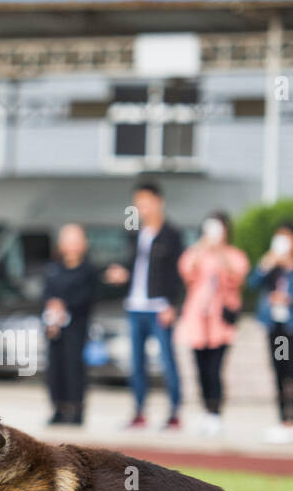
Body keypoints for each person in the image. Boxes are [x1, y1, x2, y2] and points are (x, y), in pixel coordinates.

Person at [104, 181, 185, 430]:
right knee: (137, 362)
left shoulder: (172, 235)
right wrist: (120, 274)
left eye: (145, 201)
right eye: (137, 202)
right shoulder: (134, 233)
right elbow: (131, 265)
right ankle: (139, 412)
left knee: (167, 361)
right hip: (135, 306)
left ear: (159, 202)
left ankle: (174, 412)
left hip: (159, 306)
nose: (141, 207)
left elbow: (178, 274)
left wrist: (173, 304)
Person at [247, 221, 293, 444]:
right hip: (275, 327)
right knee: (279, 372)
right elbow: (252, 284)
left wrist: (290, 299)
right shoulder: (271, 266)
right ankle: (282, 420)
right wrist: (265, 264)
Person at [177, 211, 248, 436]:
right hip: (198, 322)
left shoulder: (233, 255)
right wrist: (202, 248)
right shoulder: (196, 253)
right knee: (201, 369)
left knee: (215, 369)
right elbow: (187, 272)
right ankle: (206, 410)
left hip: (220, 323)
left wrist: (221, 254)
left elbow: (237, 277)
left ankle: (216, 412)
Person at [42, 223, 98, 426]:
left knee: (74, 367)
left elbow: (86, 297)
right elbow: (46, 294)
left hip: (76, 327)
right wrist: (51, 312)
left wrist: (64, 305)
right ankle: (59, 408)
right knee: (55, 368)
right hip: (54, 327)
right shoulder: (53, 269)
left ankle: (76, 409)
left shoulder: (89, 271)